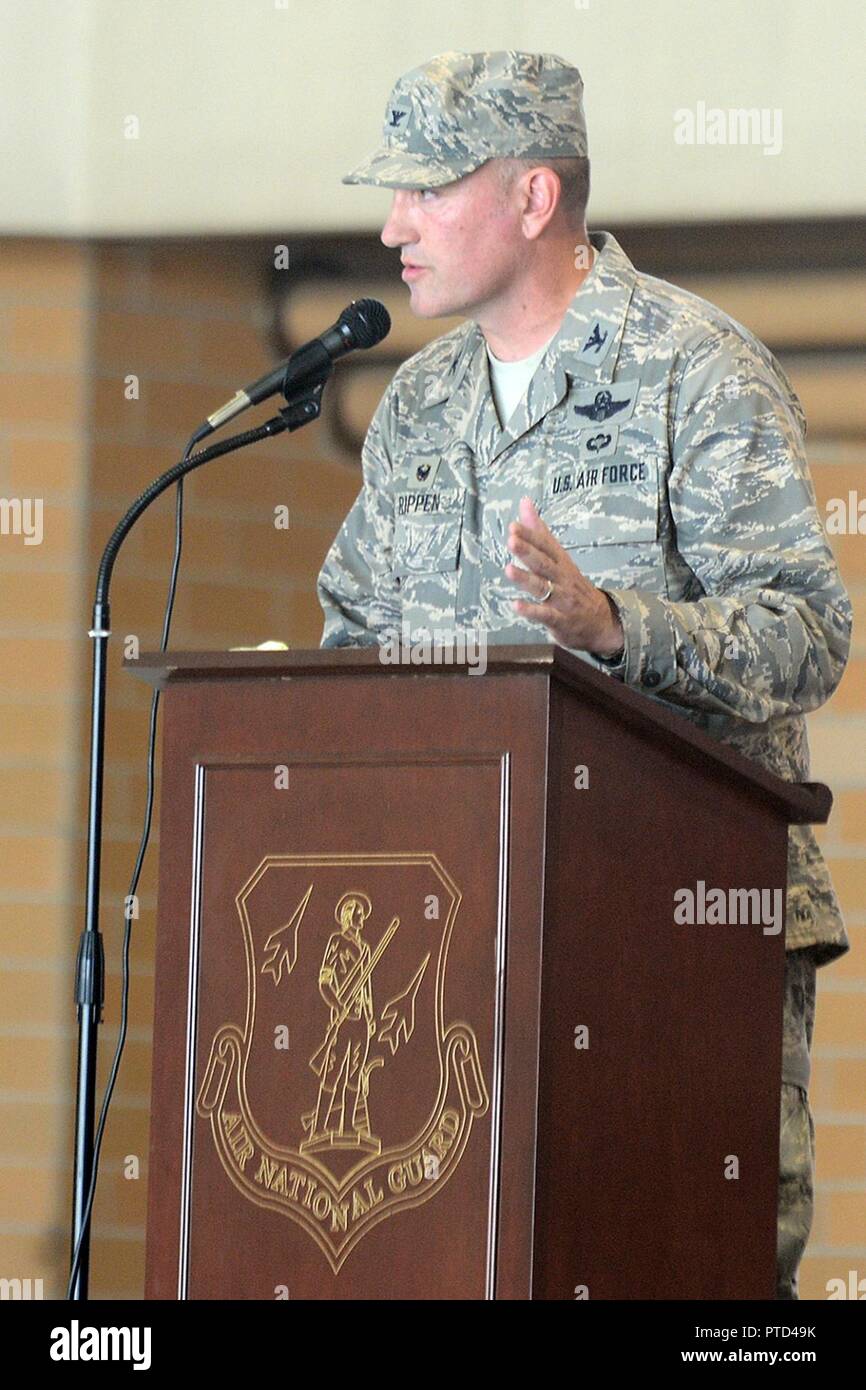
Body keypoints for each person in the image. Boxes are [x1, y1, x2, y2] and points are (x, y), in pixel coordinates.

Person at [316, 49, 852, 1298]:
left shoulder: (692, 370)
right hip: (457, 943)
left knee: (690, 1279)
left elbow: (806, 632)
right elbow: (352, 636)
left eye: (425, 188)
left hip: (675, 929)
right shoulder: (417, 403)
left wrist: (616, 628)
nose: (392, 225)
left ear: (531, 196)